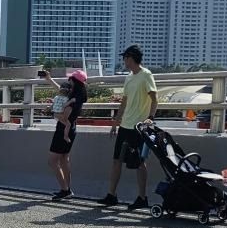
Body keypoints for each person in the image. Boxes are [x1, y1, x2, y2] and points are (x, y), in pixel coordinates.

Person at [99, 45, 158, 210]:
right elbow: (124, 101)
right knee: (116, 160)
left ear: (130, 57)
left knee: (139, 162)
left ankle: (142, 197)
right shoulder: (129, 77)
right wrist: (115, 123)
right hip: (125, 125)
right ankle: (111, 195)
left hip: (138, 127)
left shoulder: (146, 75)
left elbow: (154, 99)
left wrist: (150, 118)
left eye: (125, 57)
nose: (123, 60)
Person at [40, 69, 88, 200]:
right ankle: (67, 189)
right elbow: (61, 92)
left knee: (52, 161)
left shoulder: (72, 102)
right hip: (70, 130)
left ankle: (65, 189)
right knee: (64, 159)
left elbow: (63, 117)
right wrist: (49, 79)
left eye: (70, 79)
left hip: (63, 131)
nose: (68, 81)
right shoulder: (75, 97)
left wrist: (51, 112)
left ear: (74, 82)